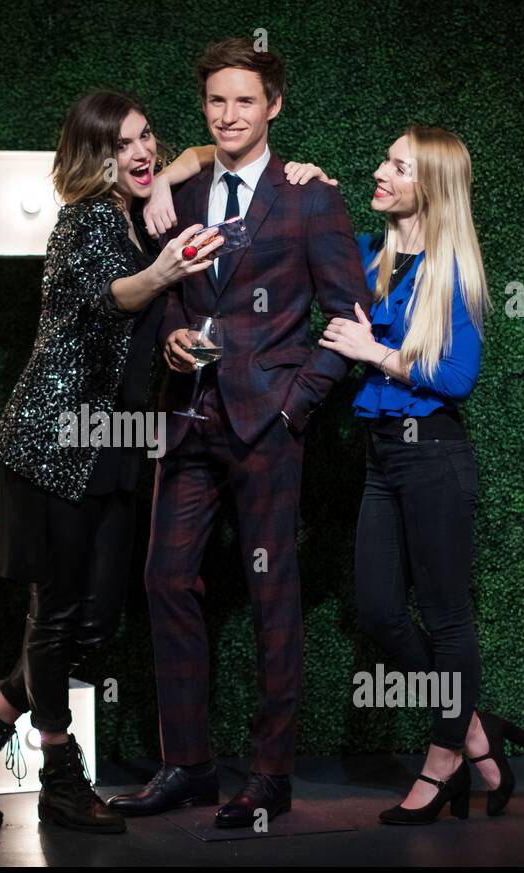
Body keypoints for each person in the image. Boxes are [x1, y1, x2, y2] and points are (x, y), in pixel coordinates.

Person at [0, 90, 223, 834]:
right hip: (55, 441)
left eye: (147, 136)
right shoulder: (85, 221)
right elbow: (107, 300)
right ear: (94, 157)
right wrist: (165, 272)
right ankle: (61, 774)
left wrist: (266, 164)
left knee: (93, 624)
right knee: (56, 616)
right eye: (123, 144)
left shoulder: (136, 206)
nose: (143, 152)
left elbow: (195, 155)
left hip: (115, 443)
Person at [106, 38, 371, 828]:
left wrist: (296, 407)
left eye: (245, 101)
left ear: (274, 107)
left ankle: (269, 773)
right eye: (217, 101)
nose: (229, 115)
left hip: (268, 427)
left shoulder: (309, 197)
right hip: (189, 417)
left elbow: (349, 320)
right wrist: (170, 341)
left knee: (271, 598)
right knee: (162, 579)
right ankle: (187, 765)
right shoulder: (179, 196)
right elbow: (166, 298)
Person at [311, 125, 524, 823]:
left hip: (434, 457)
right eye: (385, 159)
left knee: (445, 617)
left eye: (398, 166)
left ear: (428, 185)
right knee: (376, 610)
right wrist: (313, 188)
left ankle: (441, 766)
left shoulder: (452, 267)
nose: (380, 170)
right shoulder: (371, 257)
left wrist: (373, 352)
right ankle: (474, 734)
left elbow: (457, 376)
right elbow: (315, 247)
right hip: (381, 456)